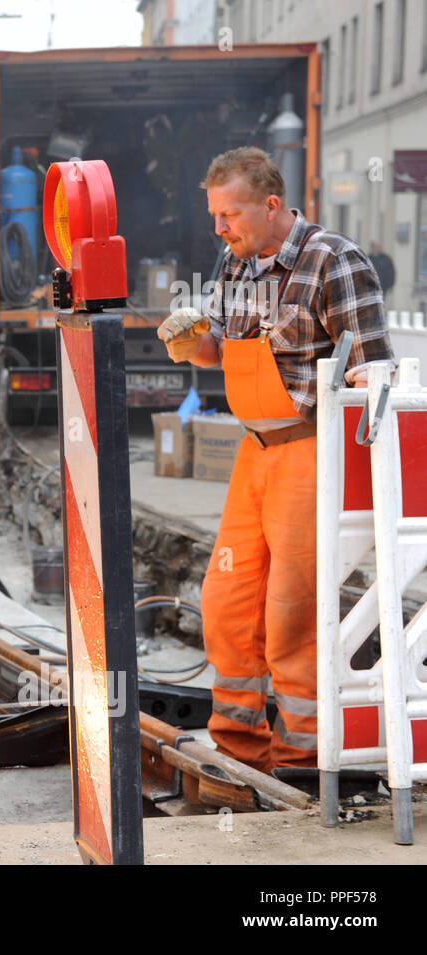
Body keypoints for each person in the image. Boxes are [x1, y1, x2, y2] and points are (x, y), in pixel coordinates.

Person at [158, 147, 393, 773]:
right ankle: (240, 753)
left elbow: (375, 376)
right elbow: (218, 350)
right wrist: (192, 343)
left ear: (271, 205)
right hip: (255, 451)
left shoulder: (334, 262)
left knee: (293, 613)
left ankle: (299, 762)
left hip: (312, 451)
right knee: (228, 601)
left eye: (229, 213)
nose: (219, 227)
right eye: (214, 215)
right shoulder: (235, 263)